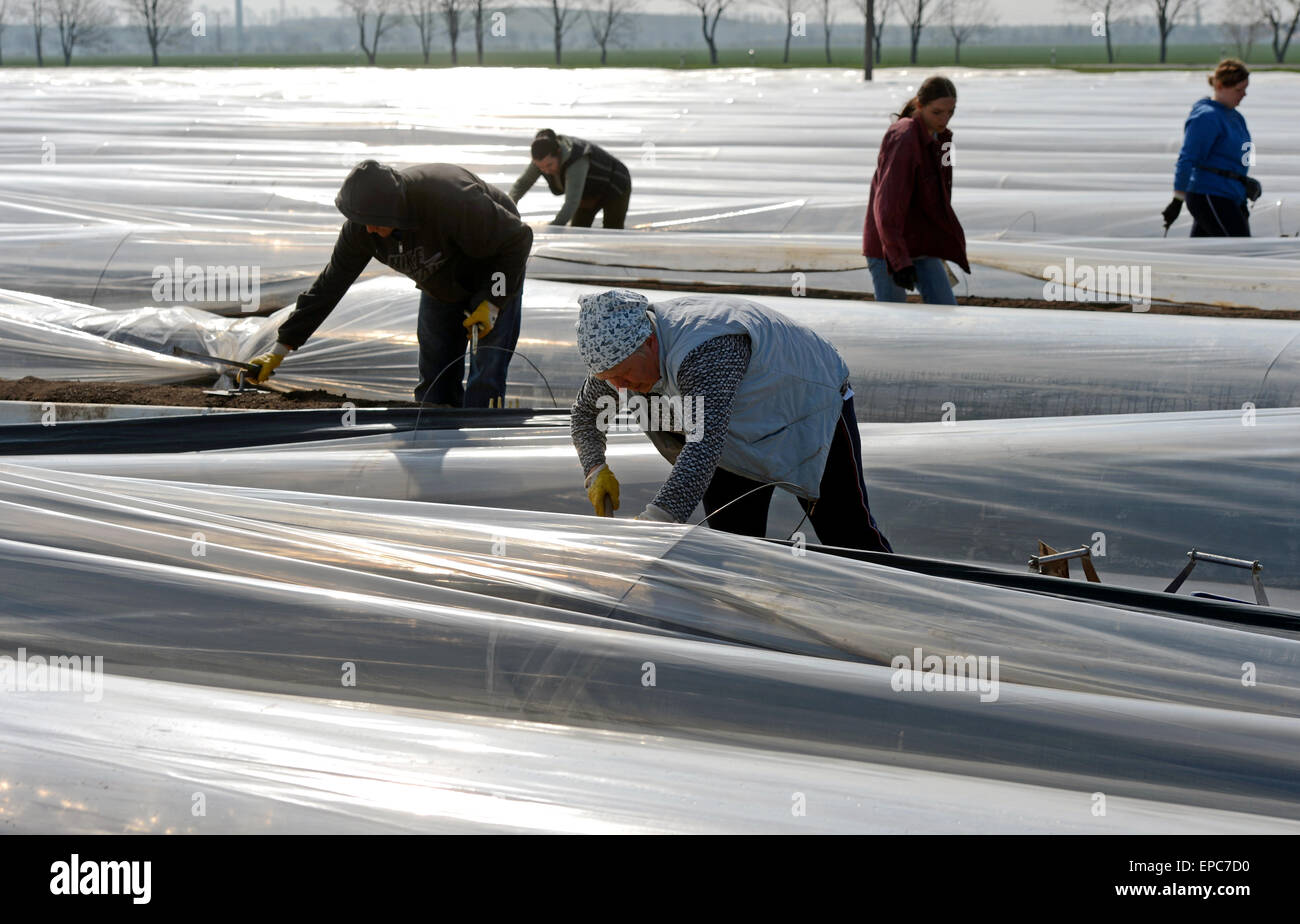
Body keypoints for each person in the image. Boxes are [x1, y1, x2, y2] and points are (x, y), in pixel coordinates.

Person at [570, 289, 893, 553]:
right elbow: (586, 414)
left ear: (650, 342)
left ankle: (897, 600)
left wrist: (658, 522)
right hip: (731, 426)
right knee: (735, 541)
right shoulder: (615, 356)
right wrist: (595, 469)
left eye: (624, 374)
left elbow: (703, 442)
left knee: (845, 529)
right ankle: (749, 621)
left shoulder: (704, 349)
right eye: (610, 379)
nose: (620, 387)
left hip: (804, 405)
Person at [245, 160, 532, 408]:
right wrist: (281, 348)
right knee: (435, 374)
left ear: (393, 209)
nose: (368, 229)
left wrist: (494, 300)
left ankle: (481, 446)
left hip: (494, 269)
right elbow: (329, 286)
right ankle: (435, 442)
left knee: (487, 370)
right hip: (441, 283)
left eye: (373, 221)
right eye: (361, 221)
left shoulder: (450, 199)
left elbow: (517, 240)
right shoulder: (361, 230)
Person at [863, 75, 970, 306]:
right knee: (894, 318)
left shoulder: (942, 139)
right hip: (888, 247)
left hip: (920, 243)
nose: (945, 119)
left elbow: (941, 195)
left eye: (950, 112)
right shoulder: (904, 136)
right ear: (920, 106)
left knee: (945, 311)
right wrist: (899, 261)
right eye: (937, 112)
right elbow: (887, 205)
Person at [1162, 59, 1257, 238]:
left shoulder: (1236, 118)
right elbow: (1187, 158)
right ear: (1220, 85)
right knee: (1240, 248)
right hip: (1210, 193)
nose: (1244, 95)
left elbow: (1245, 149)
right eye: (1239, 89)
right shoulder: (1207, 118)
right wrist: (1178, 199)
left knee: (1206, 253)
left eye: (1245, 89)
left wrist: (1244, 180)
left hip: (1231, 193)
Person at [509, 129, 632, 229]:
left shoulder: (576, 160)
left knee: (611, 230)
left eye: (549, 165)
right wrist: (508, 208)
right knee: (578, 229)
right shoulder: (543, 160)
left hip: (616, 186)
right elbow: (522, 184)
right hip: (587, 192)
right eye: (541, 167)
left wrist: (551, 229)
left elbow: (571, 202)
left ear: (558, 153)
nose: (545, 171)